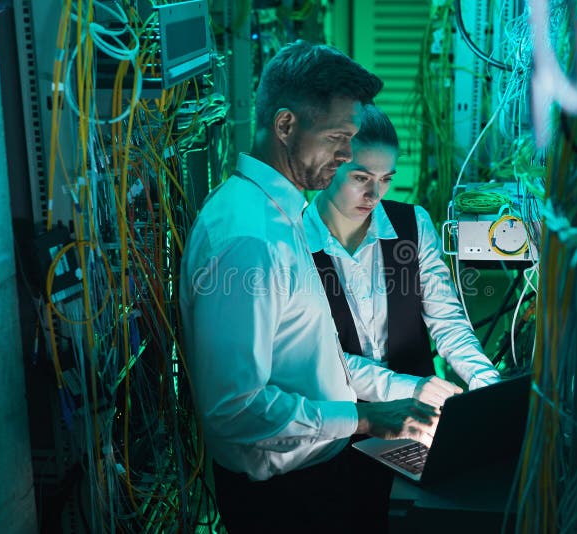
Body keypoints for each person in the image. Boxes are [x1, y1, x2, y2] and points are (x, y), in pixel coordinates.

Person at [179, 41, 449, 533]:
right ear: (285, 125)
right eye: (337, 138)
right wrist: (363, 420)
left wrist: (398, 399)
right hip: (284, 500)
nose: (345, 154)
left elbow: (308, 356)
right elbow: (235, 409)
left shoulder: (278, 216)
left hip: (313, 478)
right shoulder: (249, 238)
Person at [304, 105, 501, 403]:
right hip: (341, 418)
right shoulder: (295, 241)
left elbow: (447, 322)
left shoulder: (413, 225)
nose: (375, 194)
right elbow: (317, 358)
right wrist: (410, 388)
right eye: (361, 178)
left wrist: (486, 381)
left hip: (420, 412)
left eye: (385, 179)